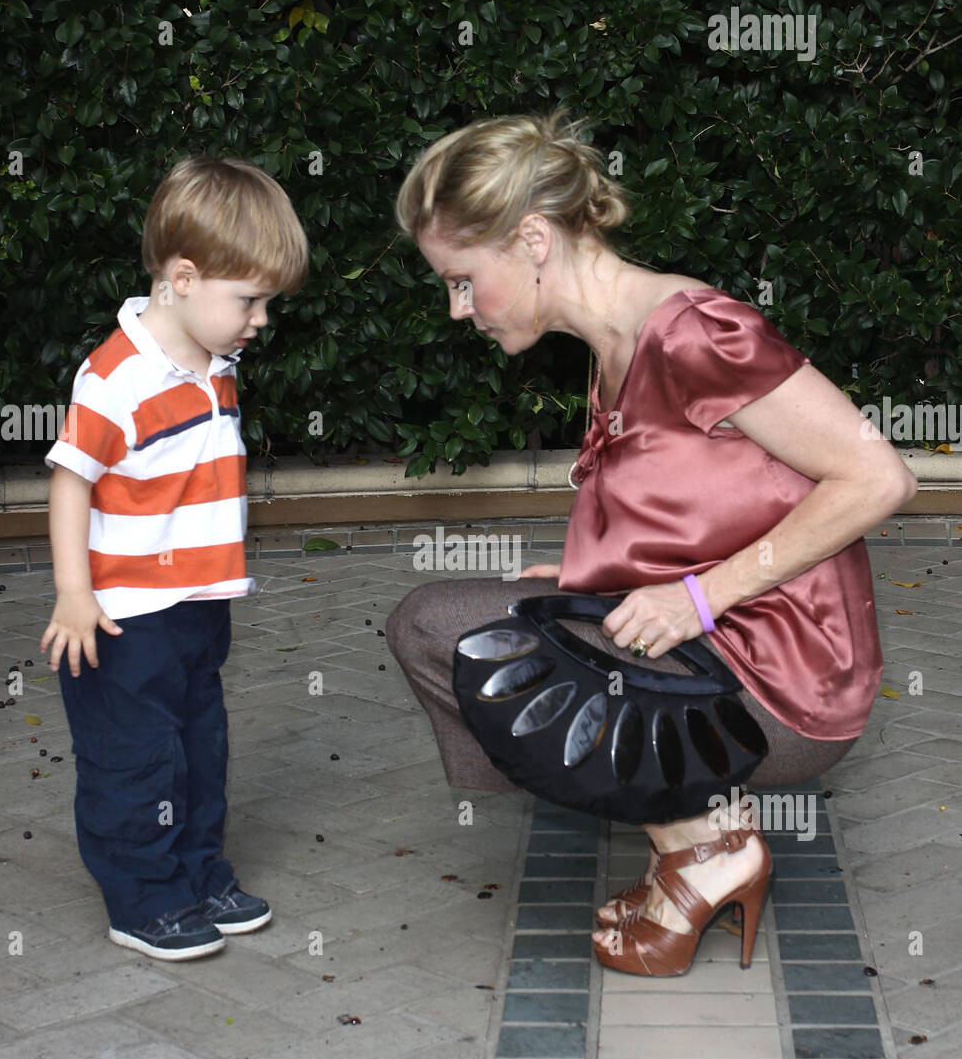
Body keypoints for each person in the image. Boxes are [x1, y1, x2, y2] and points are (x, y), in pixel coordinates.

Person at [384, 109, 918, 976]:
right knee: (451, 626)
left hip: (779, 685)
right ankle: (702, 835)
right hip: (721, 650)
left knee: (440, 627)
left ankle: (707, 851)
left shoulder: (694, 332)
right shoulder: (613, 346)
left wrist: (701, 597)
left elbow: (878, 478)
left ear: (531, 240)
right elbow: (701, 506)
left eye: (462, 280)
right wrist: (589, 575)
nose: (457, 310)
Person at [41, 156, 309, 960]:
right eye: (249, 300)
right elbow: (69, 483)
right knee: (135, 761)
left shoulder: (215, 363)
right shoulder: (115, 377)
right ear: (183, 278)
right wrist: (74, 594)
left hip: (197, 607)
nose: (261, 319)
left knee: (198, 747)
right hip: (121, 618)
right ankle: (143, 898)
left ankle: (198, 874)